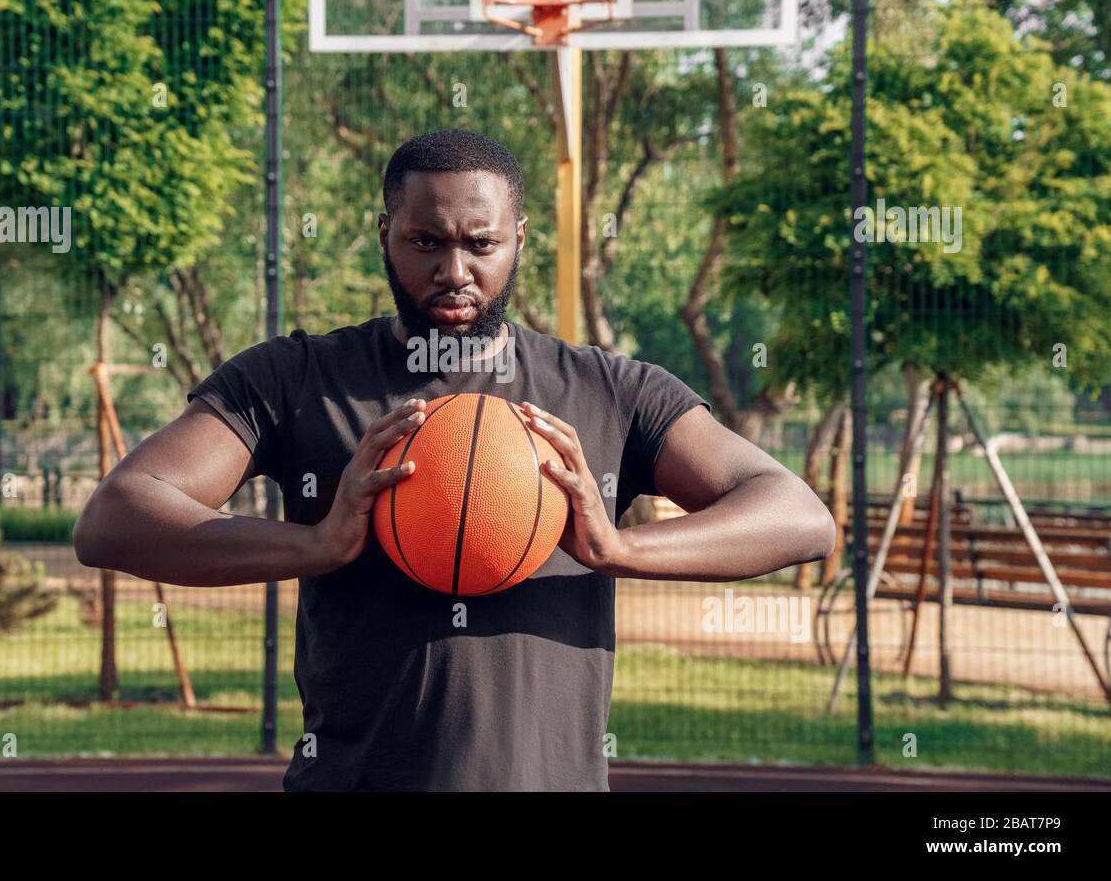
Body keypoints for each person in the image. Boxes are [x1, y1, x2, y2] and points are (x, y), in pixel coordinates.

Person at [73, 128, 836, 791]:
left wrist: (618, 545)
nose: (455, 270)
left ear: (520, 239)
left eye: (481, 242)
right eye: (426, 241)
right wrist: (317, 542)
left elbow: (798, 516)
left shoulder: (611, 391)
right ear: (384, 234)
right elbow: (116, 517)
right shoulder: (296, 379)